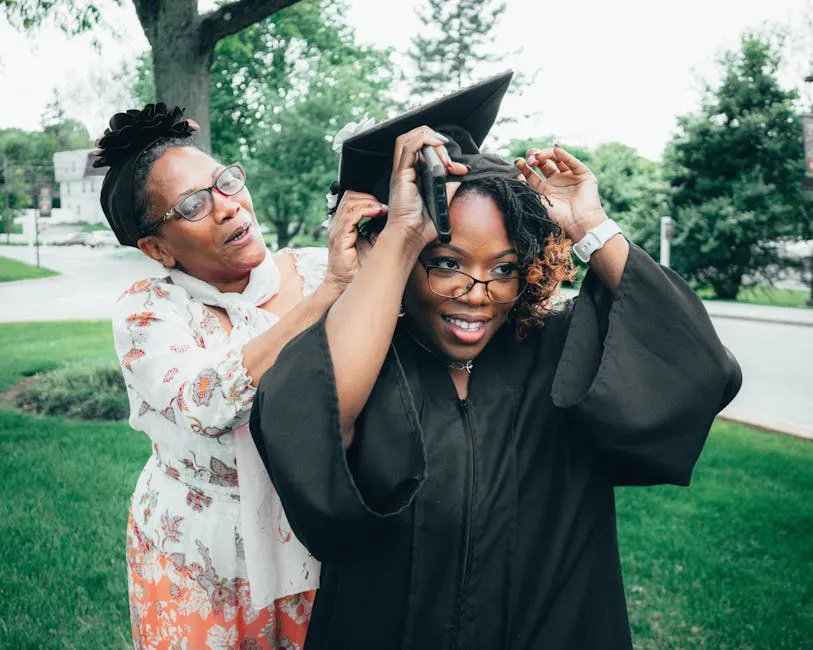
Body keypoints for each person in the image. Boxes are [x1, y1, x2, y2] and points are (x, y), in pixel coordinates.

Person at [249, 72, 743, 649]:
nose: (478, 292)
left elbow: (701, 369)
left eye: (504, 268)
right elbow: (313, 422)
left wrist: (590, 227)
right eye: (446, 263)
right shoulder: (367, 357)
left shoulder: (559, 353)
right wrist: (405, 231)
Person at [95, 103, 386, 649]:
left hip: (315, 535)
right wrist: (328, 298)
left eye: (225, 182)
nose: (227, 206)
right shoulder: (147, 311)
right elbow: (204, 402)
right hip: (199, 557)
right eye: (193, 204)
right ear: (156, 249)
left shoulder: (320, 265)